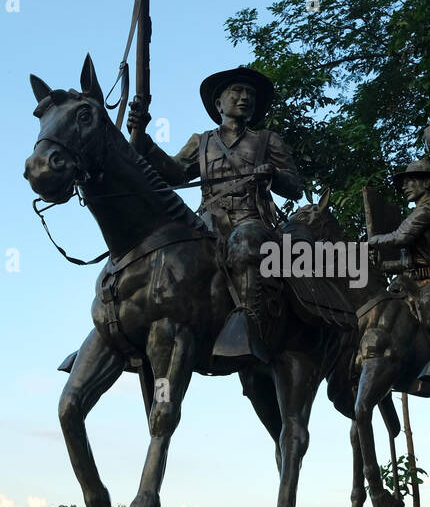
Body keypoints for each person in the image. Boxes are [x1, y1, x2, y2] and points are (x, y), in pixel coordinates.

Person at [128, 66, 305, 362]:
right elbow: (175, 173)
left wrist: (273, 173)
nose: (244, 97)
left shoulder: (267, 140)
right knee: (164, 250)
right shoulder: (202, 141)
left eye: (249, 92)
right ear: (218, 103)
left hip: (251, 221)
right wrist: (144, 141)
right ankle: (129, 326)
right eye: (236, 91)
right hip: (208, 224)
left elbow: (295, 187)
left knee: (245, 241)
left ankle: (247, 325)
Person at [367, 159, 430, 383]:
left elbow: (400, 237)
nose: (405, 186)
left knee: (429, 303)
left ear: (427, 184)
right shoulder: (416, 214)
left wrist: (372, 241)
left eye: (411, 181)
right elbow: (405, 263)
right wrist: (378, 266)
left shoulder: (428, 211)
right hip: (409, 284)